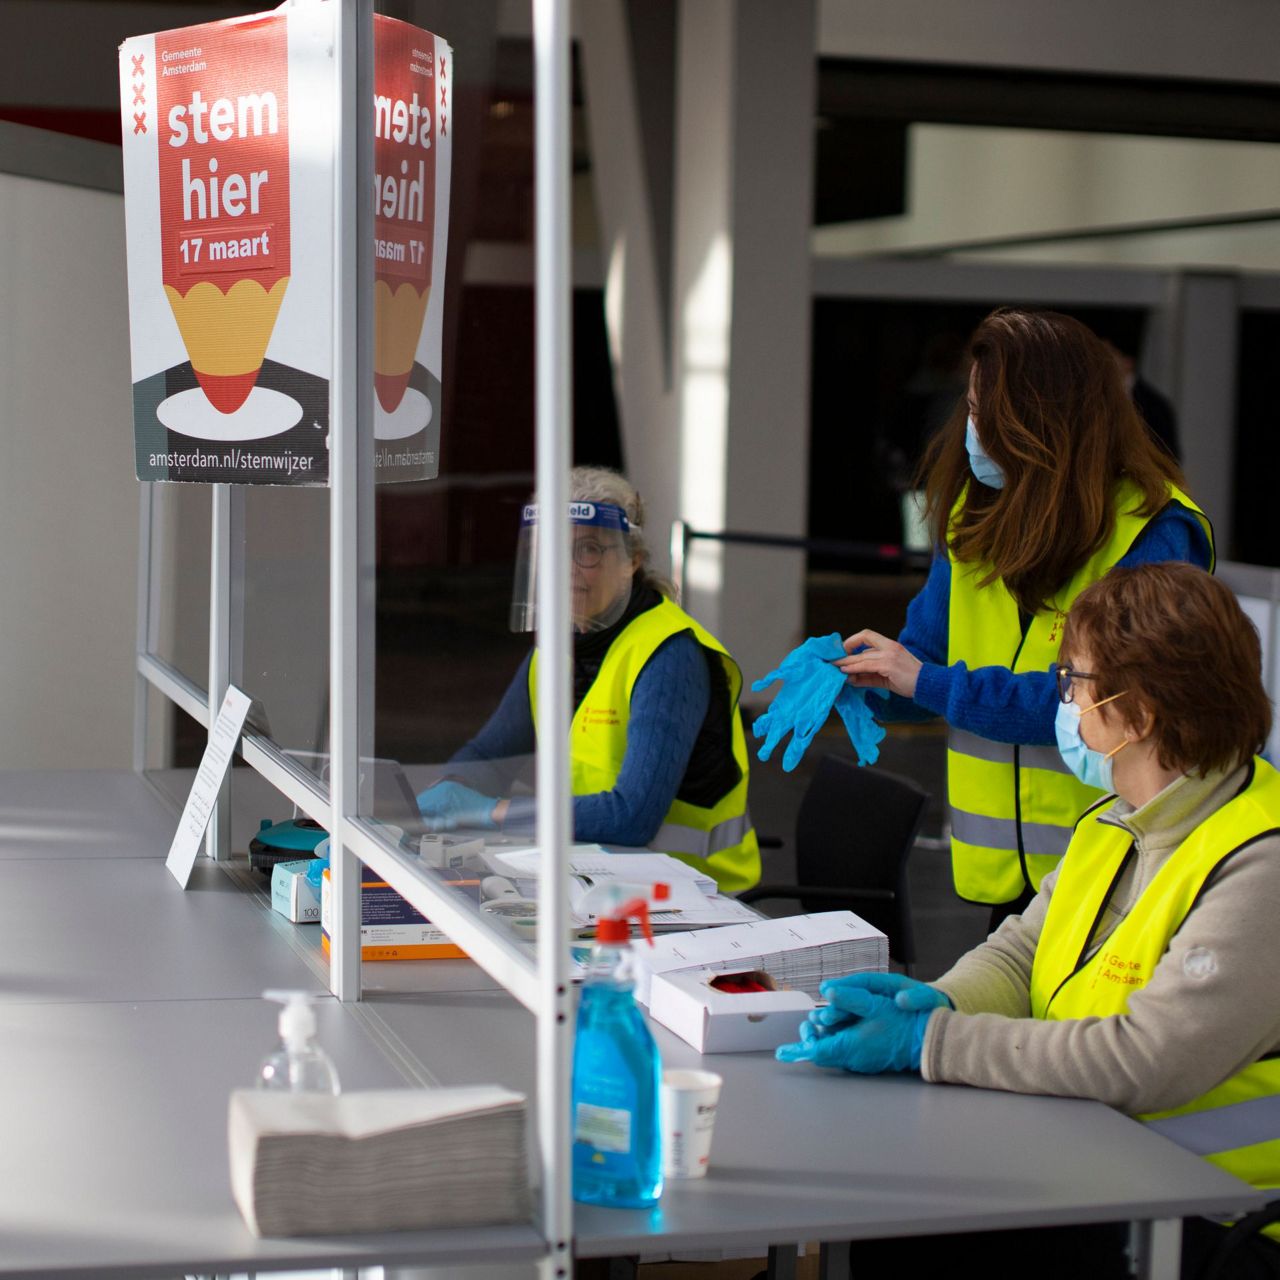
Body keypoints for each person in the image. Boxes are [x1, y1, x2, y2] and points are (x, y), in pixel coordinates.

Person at [781, 564, 1280, 1278]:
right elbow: (1023, 948)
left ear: (1135, 715)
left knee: (911, 1234)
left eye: (1072, 681)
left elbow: (1146, 1059)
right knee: (897, 1214)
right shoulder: (1119, 817)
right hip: (1101, 1165)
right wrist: (942, 997)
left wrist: (931, 1041)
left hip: (1208, 1220)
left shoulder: (1261, 861)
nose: (1063, 702)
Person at [836, 307, 1213, 925]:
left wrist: (924, 682)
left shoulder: (1155, 530)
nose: (974, 427)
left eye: (992, 411)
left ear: (1048, 417)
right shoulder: (970, 512)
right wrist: (857, 680)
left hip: (1115, 869)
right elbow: (924, 667)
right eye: (974, 406)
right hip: (1004, 881)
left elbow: (1108, 706)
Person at [415, 466, 760, 893]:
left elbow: (632, 818)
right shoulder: (560, 645)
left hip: (694, 896)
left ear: (630, 561)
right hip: (602, 878)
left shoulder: (670, 655)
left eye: (590, 549)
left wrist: (490, 812)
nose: (569, 569)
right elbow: (488, 754)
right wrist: (446, 791)